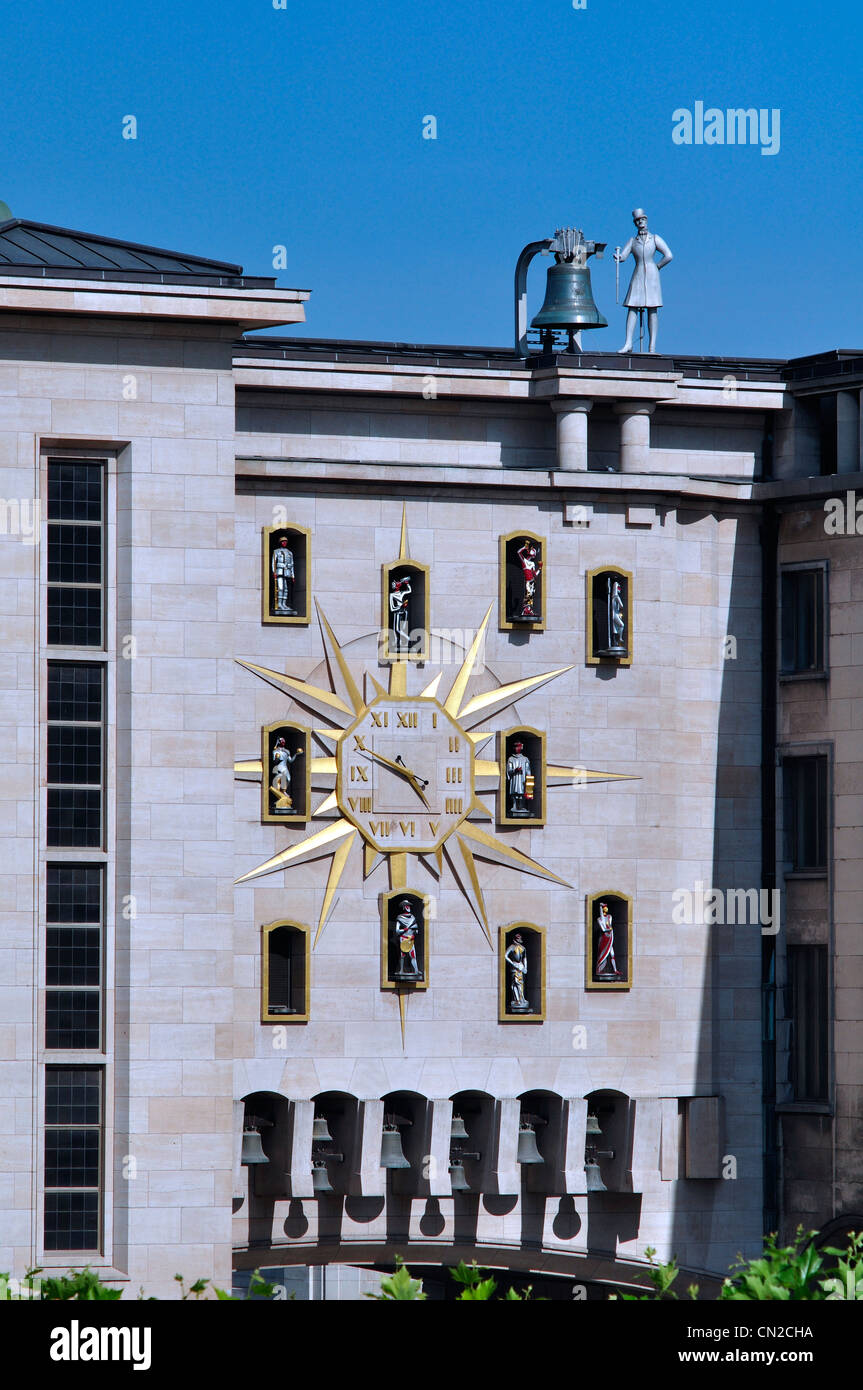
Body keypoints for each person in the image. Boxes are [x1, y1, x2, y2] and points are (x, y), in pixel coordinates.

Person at [614, 209, 672, 354]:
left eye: (643, 219)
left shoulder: (655, 238)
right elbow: (623, 256)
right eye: (638, 220)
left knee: (653, 308)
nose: (641, 222)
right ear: (635, 223)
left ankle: (652, 346)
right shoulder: (633, 241)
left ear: (646, 221)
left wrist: (657, 266)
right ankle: (628, 343)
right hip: (638, 273)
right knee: (632, 306)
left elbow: (668, 255)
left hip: (652, 275)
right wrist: (618, 256)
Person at [271, 737, 303, 814]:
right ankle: (281, 793)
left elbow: (290, 760)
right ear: (279, 742)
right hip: (279, 768)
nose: (283, 742)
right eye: (282, 741)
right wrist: (277, 758)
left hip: (285, 768)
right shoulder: (275, 751)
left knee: (288, 779)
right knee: (278, 781)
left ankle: (283, 792)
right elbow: (274, 762)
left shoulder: (287, 751)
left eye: (284, 741)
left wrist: (296, 754)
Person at [516, 540, 542, 619]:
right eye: (532, 552)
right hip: (528, 581)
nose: (533, 555)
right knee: (528, 595)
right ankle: (525, 610)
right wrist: (524, 547)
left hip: (533, 581)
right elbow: (518, 552)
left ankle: (529, 610)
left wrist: (540, 568)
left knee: (531, 596)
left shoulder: (533, 564)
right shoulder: (524, 561)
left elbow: (535, 575)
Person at [394, 900, 421, 976]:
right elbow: (397, 930)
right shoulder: (400, 918)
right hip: (403, 938)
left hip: (410, 939)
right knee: (402, 955)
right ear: (404, 907)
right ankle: (401, 970)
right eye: (406, 905)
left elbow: (416, 929)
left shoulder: (413, 917)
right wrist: (404, 929)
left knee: (413, 955)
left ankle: (416, 970)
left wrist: (413, 935)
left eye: (409, 905)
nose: (408, 907)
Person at [506, 739, 532, 817]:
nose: (517, 748)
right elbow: (509, 770)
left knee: (522, 792)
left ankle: (521, 806)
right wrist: (515, 770)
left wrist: (529, 779)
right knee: (514, 792)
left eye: (518, 747)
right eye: (515, 747)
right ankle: (514, 806)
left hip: (522, 778)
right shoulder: (511, 759)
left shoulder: (525, 759)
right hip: (515, 778)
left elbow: (528, 769)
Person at [504, 933, 530, 1011]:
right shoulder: (512, 947)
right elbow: (505, 956)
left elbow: (524, 958)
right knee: (515, 983)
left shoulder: (522, 948)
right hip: (514, 966)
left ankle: (521, 998)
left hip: (520, 966)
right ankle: (517, 999)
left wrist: (525, 967)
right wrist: (512, 963)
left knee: (521, 983)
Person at [595, 901, 621, 978]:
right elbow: (603, 929)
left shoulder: (609, 917)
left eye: (606, 908)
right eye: (604, 908)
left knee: (612, 954)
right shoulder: (599, 919)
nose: (605, 909)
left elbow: (609, 926)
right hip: (604, 939)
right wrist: (609, 929)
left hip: (610, 938)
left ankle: (615, 970)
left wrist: (609, 929)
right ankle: (600, 969)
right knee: (604, 954)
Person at [272, 536, 296, 615]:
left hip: (287, 572)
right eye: (283, 541)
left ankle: (283, 604)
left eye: (285, 541)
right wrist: (274, 572)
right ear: (280, 542)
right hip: (279, 572)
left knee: (286, 589)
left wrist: (293, 575)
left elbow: (292, 564)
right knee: (280, 588)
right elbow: (273, 563)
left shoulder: (290, 552)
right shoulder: (276, 551)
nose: (284, 543)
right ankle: (279, 604)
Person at [389, 577, 412, 651]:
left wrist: (407, 583)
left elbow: (409, 590)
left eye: (394, 584)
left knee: (397, 629)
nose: (392, 585)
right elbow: (392, 608)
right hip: (397, 612)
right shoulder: (392, 595)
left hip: (402, 612)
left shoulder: (401, 593)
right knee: (396, 629)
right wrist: (399, 607)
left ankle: (407, 639)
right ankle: (400, 641)